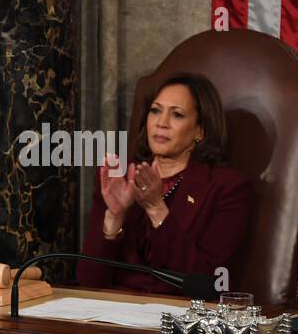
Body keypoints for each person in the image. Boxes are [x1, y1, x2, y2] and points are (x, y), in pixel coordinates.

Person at [77, 73, 251, 295]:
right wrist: (115, 216)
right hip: (114, 313)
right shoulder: (120, 178)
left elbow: (209, 282)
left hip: (178, 317)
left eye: (177, 115)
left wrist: (156, 209)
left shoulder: (227, 188)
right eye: (155, 111)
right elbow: (88, 280)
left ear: (200, 131)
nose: (161, 123)